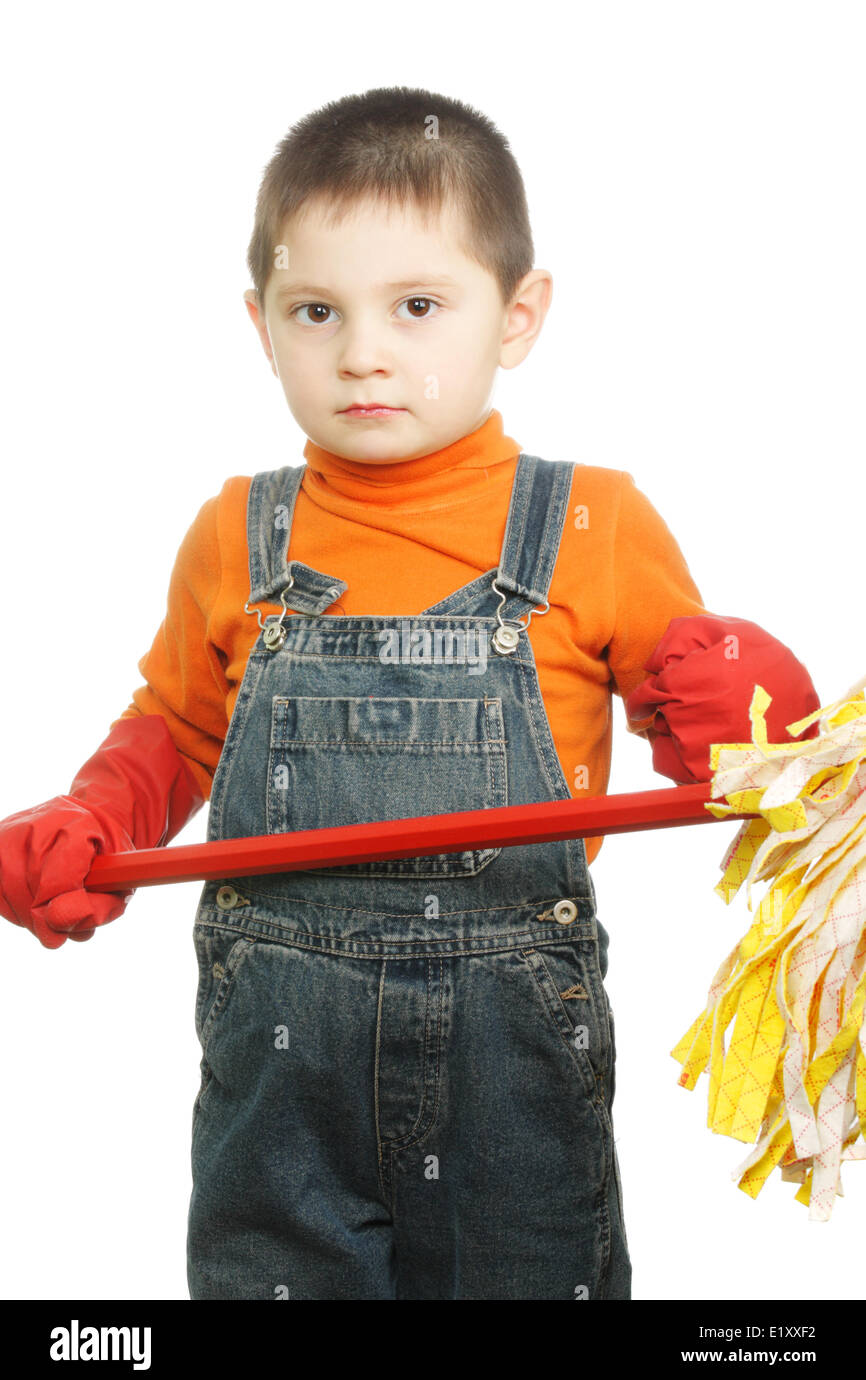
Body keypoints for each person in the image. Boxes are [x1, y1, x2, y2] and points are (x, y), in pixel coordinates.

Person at [0, 86, 820, 1300]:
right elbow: (176, 732)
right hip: (280, 1084)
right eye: (316, 311)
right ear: (260, 324)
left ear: (517, 315)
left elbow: (750, 770)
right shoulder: (237, 534)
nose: (363, 352)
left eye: (418, 306)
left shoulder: (590, 524)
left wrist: (758, 710)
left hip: (512, 1071)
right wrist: (95, 818)